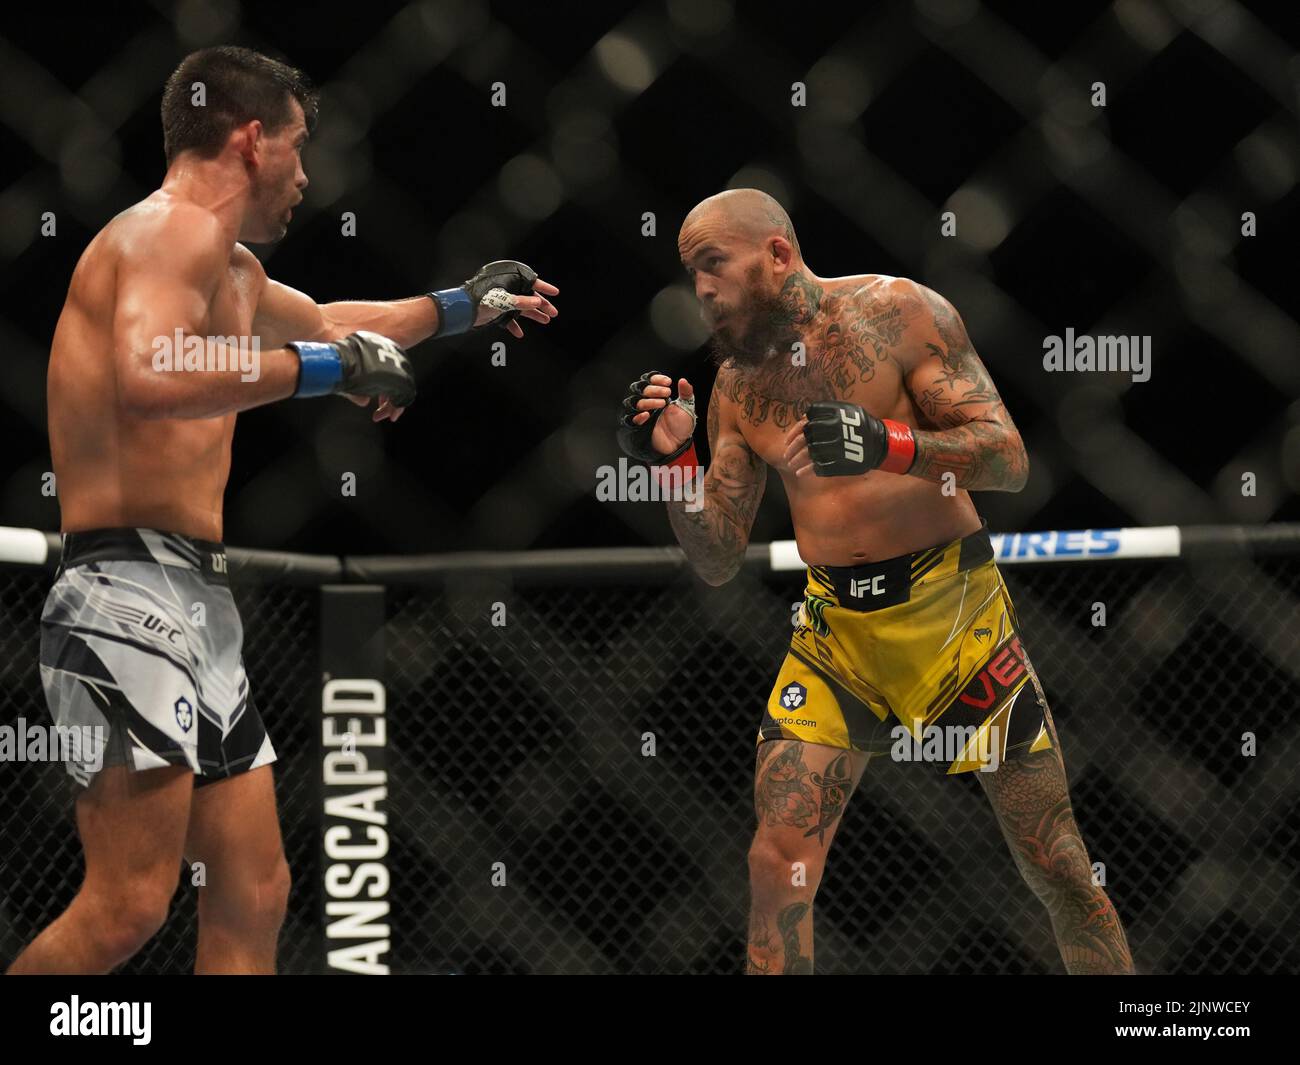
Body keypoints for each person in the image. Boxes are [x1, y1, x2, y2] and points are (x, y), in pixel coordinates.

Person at [10, 45, 558, 975]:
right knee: (127, 907)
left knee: (253, 888)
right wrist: (328, 371)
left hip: (198, 600)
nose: (308, 176)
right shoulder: (165, 232)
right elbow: (153, 373)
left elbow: (336, 321)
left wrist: (463, 306)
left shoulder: (234, 272)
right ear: (252, 140)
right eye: (300, 147)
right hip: (122, 589)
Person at [617, 188, 1132, 975]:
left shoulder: (901, 313)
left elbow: (1006, 455)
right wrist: (673, 466)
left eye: (713, 265)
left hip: (953, 615)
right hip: (835, 635)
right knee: (775, 863)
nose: (703, 292)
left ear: (778, 254)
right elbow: (716, 556)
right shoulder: (733, 388)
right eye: (692, 275)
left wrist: (889, 443)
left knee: (1054, 858)